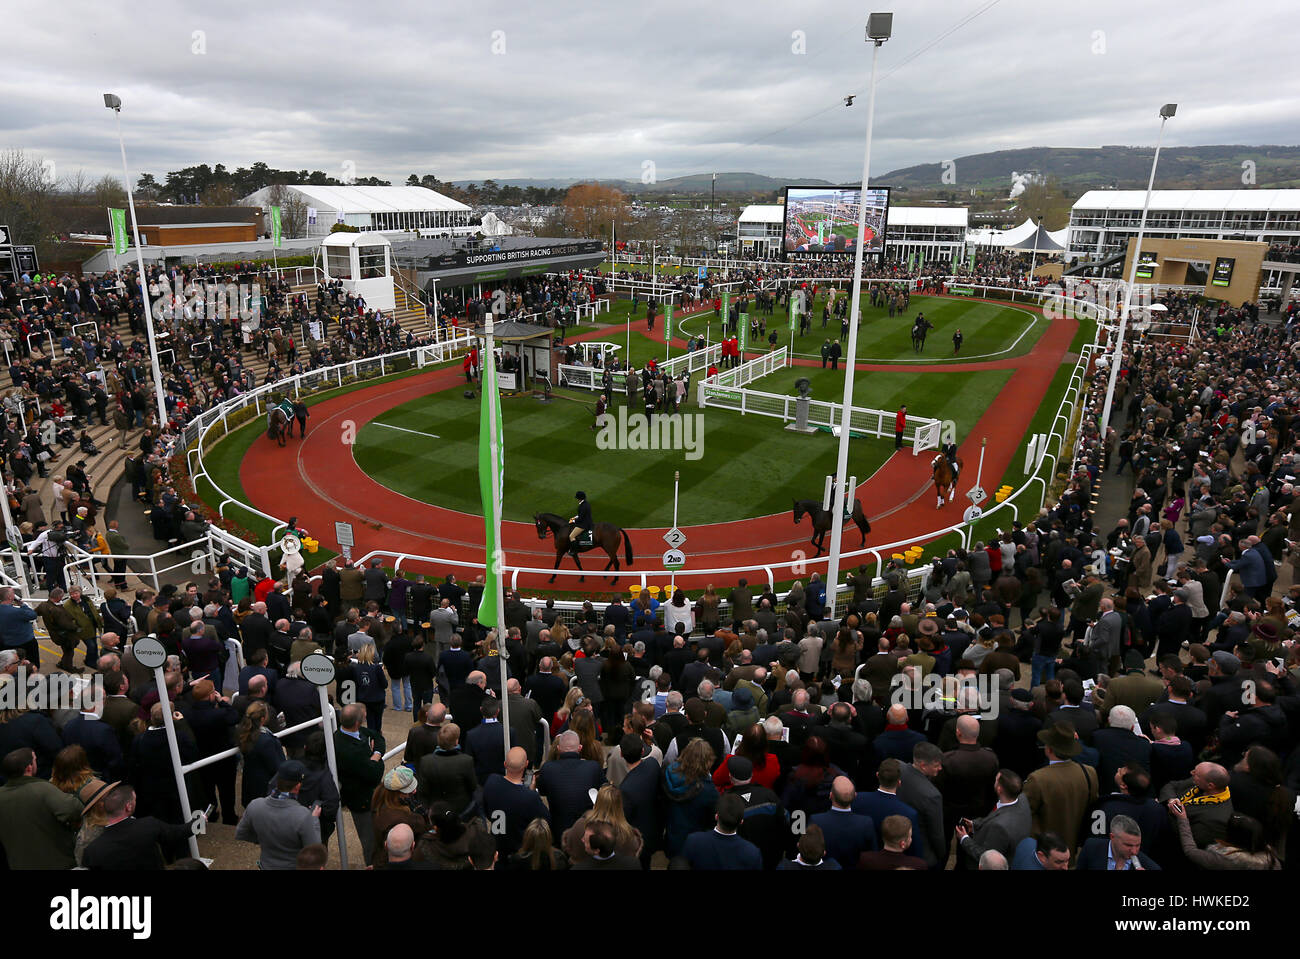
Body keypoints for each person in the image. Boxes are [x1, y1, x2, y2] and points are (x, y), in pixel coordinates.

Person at [0, 747, 85, 869]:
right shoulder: (43, 789)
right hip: (56, 862)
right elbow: (74, 809)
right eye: (35, 760)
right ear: (29, 768)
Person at [81, 782, 196, 870]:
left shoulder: (91, 851)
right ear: (128, 807)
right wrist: (199, 821)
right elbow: (178, 833)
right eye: (134, 800)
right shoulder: (148, 825)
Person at [235, 760, 322, 870]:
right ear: (298, 786)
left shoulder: (255, 805)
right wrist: (314, 820)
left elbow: (241, 833)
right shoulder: (304, 816)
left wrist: (266, 838)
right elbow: (314, 852)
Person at [569, 490, 594, 554]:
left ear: (579, 498)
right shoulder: (586, 504)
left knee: (571, 536)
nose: (577, 499)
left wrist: (573, 521)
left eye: (577, 498)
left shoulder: (583, 506)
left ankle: (575, 550)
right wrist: (574, 517)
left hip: (584, 524)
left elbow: (580, 518)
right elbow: (581, 515)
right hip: (588, 522)